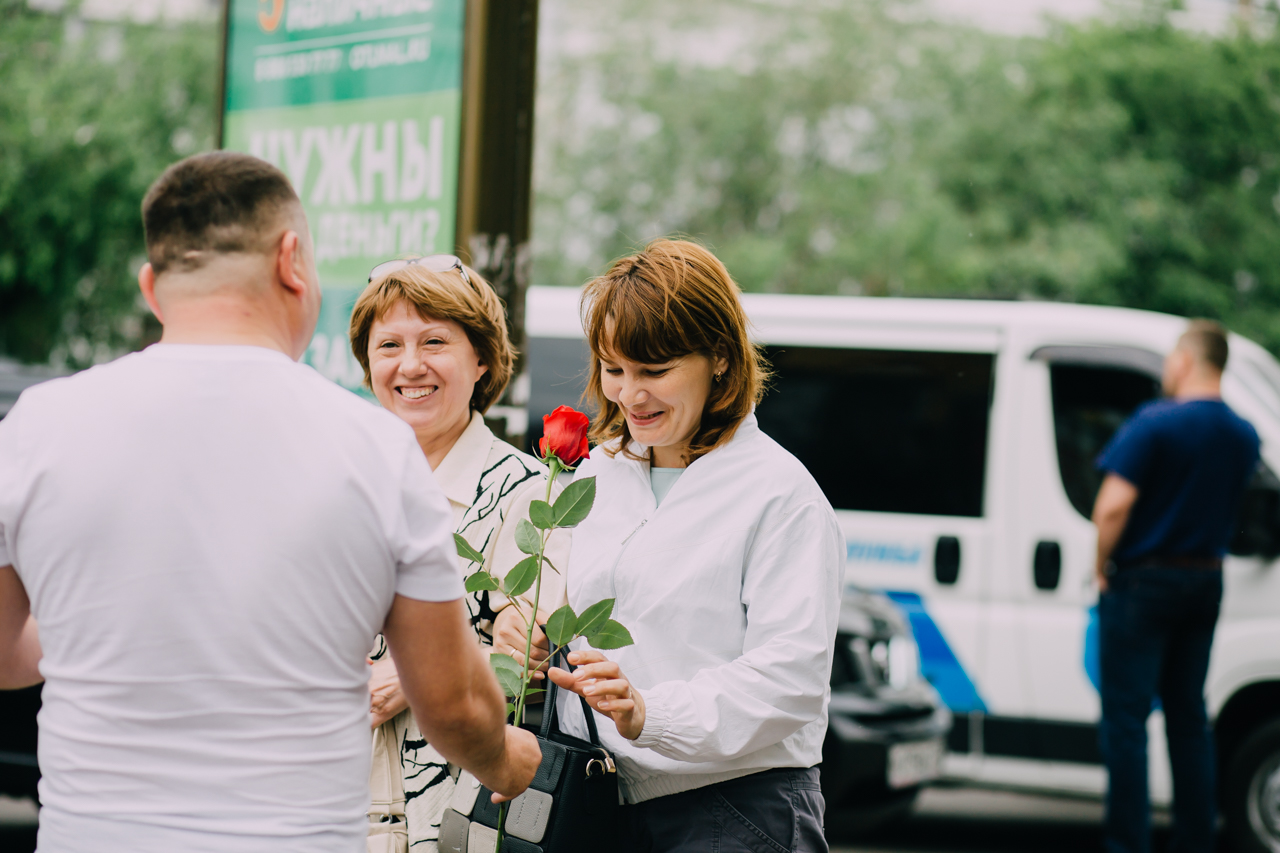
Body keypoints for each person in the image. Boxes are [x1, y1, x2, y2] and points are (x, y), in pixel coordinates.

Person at [0, 151, 539, 853]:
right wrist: (508, 757)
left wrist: (107, 626)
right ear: (292, 261)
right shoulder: (372, 446)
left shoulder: (38, 425)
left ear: (152, 286)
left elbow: (7, 652)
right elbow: (452, 703)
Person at [529, 239, 843, 852]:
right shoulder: (597, 475)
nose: (629, 395)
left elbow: (793, 679)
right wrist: (540, 640)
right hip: (593, 801)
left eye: (655, 371)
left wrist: (649, 711)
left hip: (734, 810)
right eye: (614, 370)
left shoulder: (782, 494)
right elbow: (570, 614)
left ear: (720, 359)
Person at [349, 258, 569, 849]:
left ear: (482, 360)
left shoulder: (526, 493)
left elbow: (530, 660)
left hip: (459, 818)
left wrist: (425, 667)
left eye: (435, 341)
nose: (410, 365)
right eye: (388, 344)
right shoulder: (343, 486)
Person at [1092, 319, 1261, 853]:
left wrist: (1101, 564)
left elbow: (1112, 506)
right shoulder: (1243, 433)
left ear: (1186, 361)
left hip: (1142, 584)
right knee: (1189, 719)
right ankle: (1194, 842)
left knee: (1127, 723)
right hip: (1205, 582)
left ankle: (1128, 844)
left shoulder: (1155, 423)